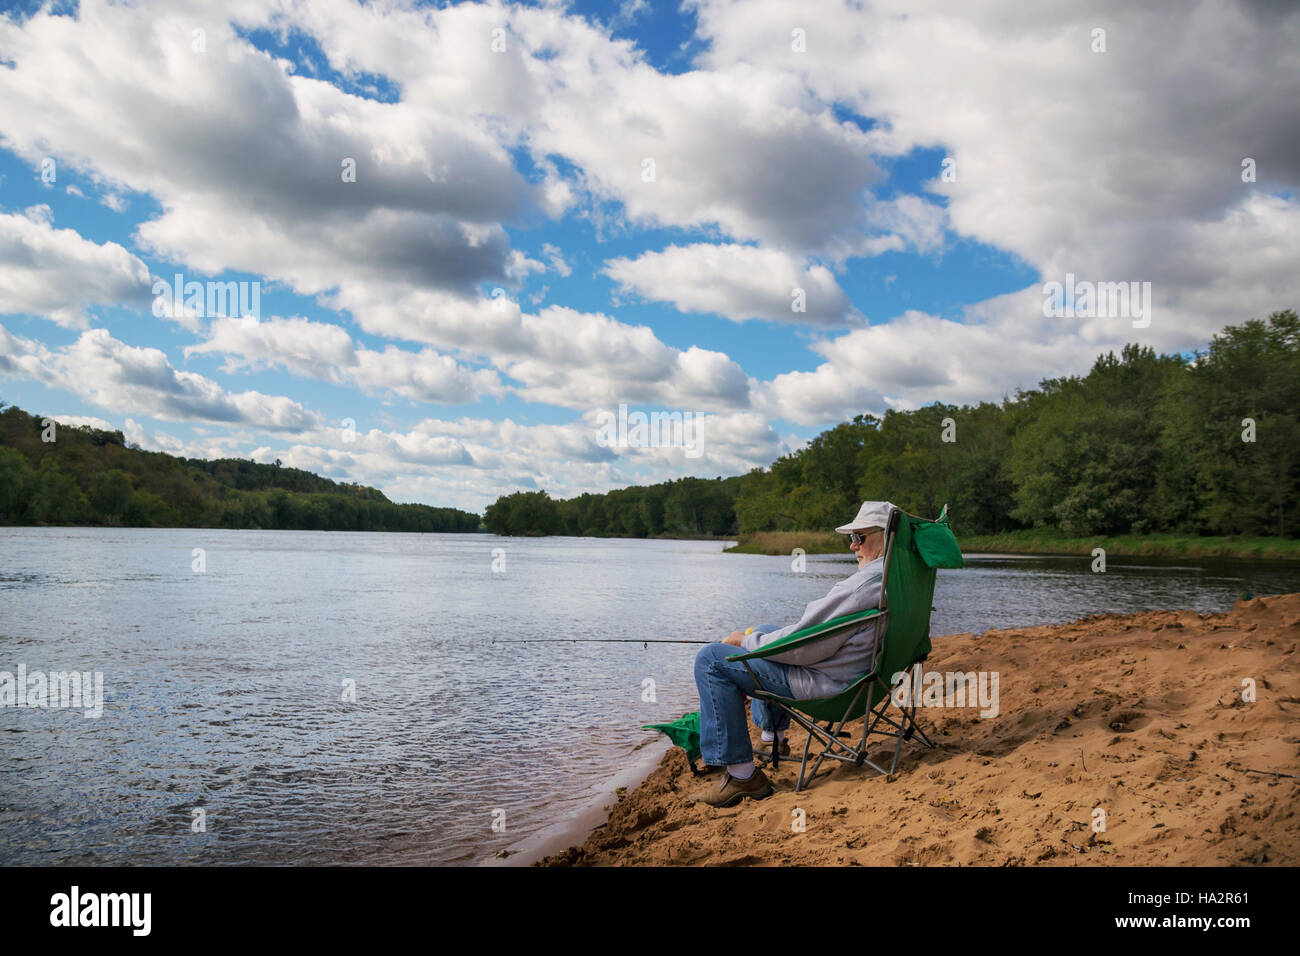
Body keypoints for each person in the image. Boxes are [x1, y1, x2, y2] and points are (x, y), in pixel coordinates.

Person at [689, 501, 894, 808]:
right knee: (766, 629)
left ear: (885, 537)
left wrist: (745, 642)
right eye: (851, 537)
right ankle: (773, 738)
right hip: (866, 678)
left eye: (860, 537)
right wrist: (756, 636)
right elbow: (810, 636)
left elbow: (802, 646)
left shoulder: (863, 585)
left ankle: (742, 776)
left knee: (710, 660)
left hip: (832, 688)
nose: (853, 545)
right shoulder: (893, 577)